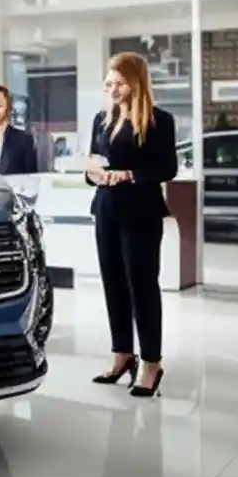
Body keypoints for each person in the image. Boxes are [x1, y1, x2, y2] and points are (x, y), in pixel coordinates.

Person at [85, 52, 179, 398]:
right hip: (106, 209)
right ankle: (122, 355)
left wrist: (129, 175)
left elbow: (167, 168)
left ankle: (151, 363)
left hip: (141, 212)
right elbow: (93, 163)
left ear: (137, 83)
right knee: (113, 284)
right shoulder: (101, 119)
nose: (113, 90)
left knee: (142, 287)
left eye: (120, 84)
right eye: (109, 84)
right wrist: (93, 174)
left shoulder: (159, 121)